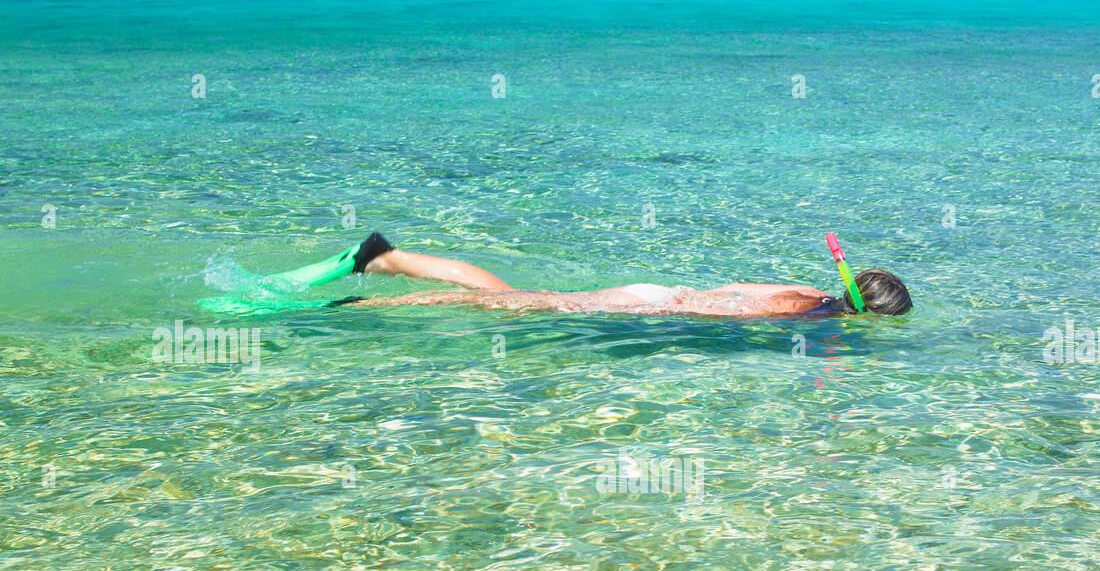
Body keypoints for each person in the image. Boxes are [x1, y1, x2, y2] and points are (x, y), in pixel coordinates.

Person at [330, 232, 911, 320]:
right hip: (644, 308)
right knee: (500, 305)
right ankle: (371, 300)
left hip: (655, 293)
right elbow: (733, 314)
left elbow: (736, 289)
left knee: (512, 297)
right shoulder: (805, 312)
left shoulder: (809, 293)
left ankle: (388, 259)